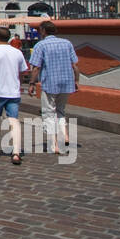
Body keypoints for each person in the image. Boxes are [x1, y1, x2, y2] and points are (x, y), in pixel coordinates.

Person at [28, 20, 80, 155]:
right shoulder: (67, 43)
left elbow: (36, 67)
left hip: (50, 83)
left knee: (49, 113)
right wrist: (76, 80)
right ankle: (65, 136)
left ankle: (54, 144)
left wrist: (32, 83)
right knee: (61, 110)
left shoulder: (41, 45)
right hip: (67, 82)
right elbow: (75, 65)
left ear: (43, 31)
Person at [0, 26, 29, 165]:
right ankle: (16, 152)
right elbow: (22, 72)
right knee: (14, 121)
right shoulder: (17, 52)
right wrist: (19, 85)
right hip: (13, 92)